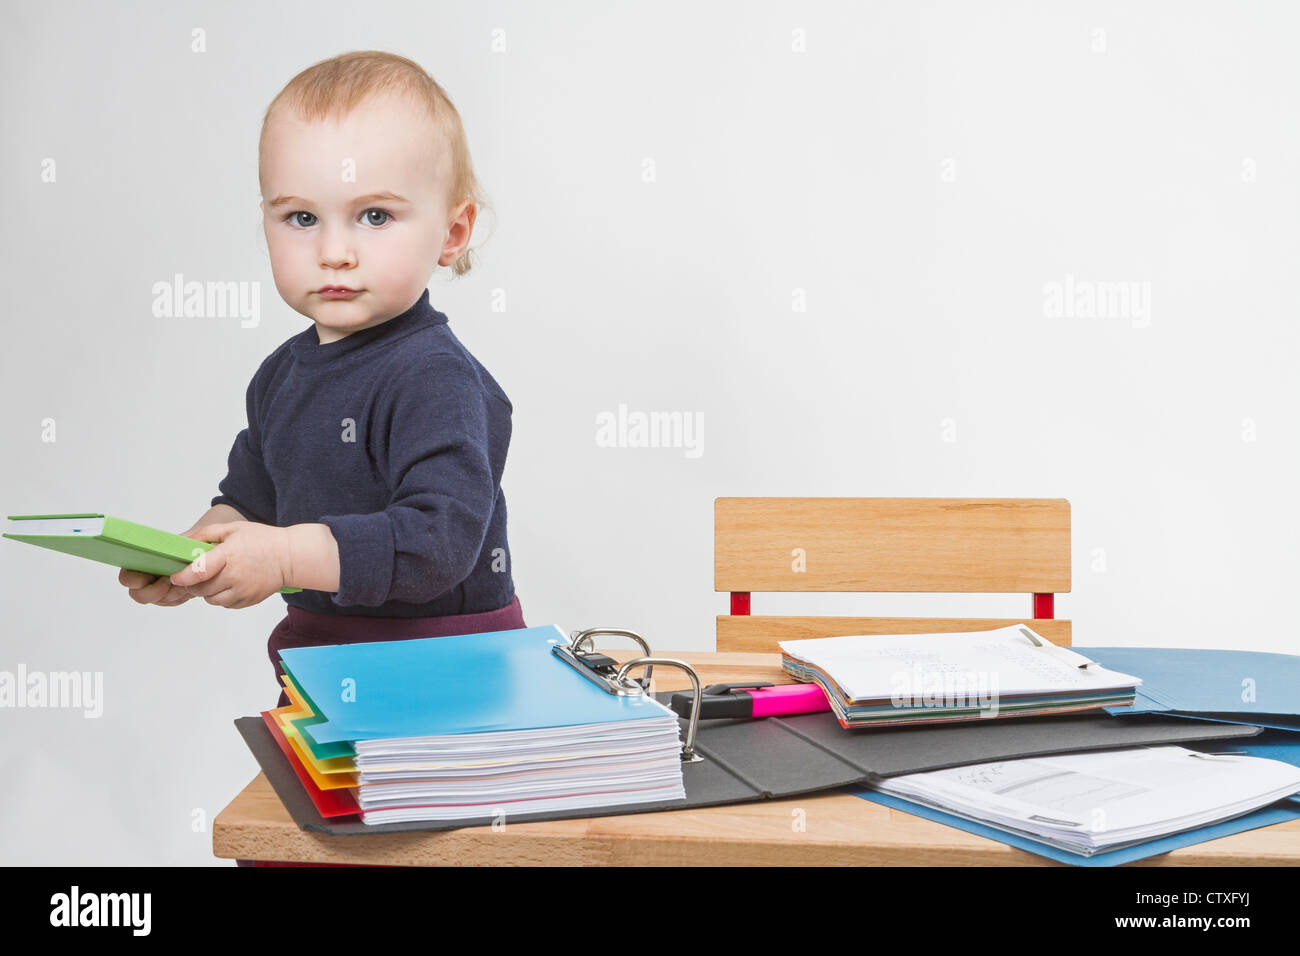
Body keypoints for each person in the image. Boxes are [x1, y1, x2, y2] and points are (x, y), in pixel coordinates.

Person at [119, 51, 523, 706]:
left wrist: (281, 559)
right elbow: (254, 502)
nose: (335, 250)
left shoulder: (435, 378)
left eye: (375, 216)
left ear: (452, 233)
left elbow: (437, 543)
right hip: (321, 668)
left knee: (427, 811)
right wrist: (199, 551)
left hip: (449, 676)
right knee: (311, 806)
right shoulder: (280, 376)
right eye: (302, 218)